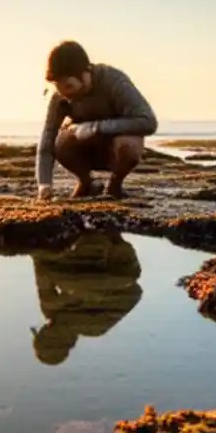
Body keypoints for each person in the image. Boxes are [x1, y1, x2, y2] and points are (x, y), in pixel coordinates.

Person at [36, 40, 158, 201]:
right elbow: (47, 138)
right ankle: (86, 182)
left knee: (128, 145)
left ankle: (115, 184)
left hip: (117, 148)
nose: (65, 94)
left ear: (84, 72)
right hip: (85, 148)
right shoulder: (60, 95)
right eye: (59, 88)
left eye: (69, 86)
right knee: (60, 142)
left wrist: (97, 127)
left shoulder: (113, 81)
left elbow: (148, 121)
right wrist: (44, 184)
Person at [30, 233, 142, 365]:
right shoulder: (94, 327)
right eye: (46, 334)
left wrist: (36, 250)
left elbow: (41, 272)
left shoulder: (51, 309)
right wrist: (95, 292)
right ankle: (105, 234)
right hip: (109, 268)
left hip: (73, 254)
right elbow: (134, 293)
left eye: (42, 331)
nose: (45, 327)